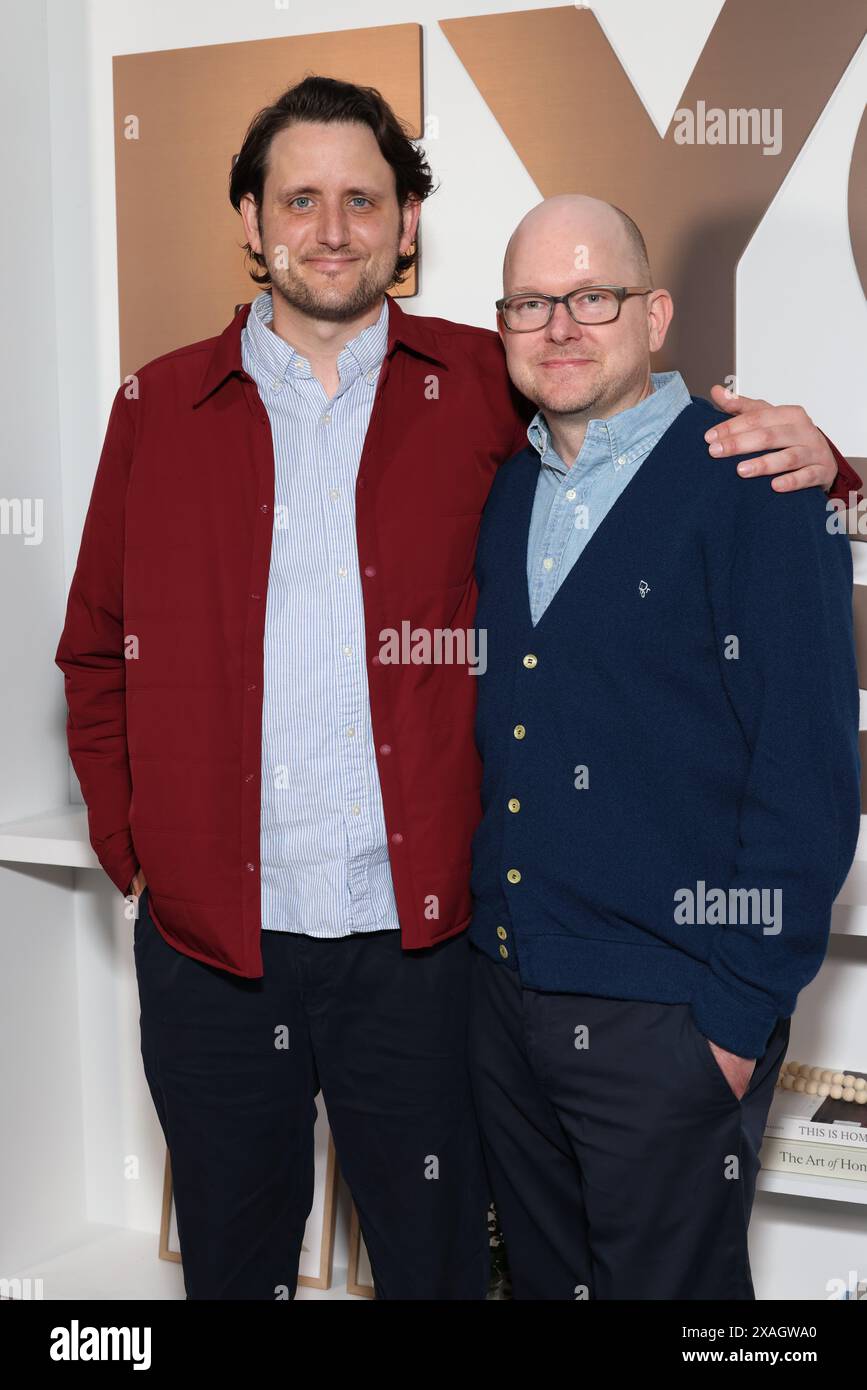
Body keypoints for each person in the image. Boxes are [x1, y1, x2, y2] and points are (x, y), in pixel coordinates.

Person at [55, 77, 860, 1301]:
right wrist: (136, 853)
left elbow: (643, 433)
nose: (333, 228)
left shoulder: (487, 377)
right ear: (252, 221)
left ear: (407, 225)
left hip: (419, 953)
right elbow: (95, 648)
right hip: (215, 946)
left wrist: (830, 463)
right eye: (300, 200)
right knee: (231, 1267)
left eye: (364, 199)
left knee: (439, 1272)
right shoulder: (157, 404)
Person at [467, 193, 861, 1300]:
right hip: (504, 998)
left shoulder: (760, 482)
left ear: (655, 315)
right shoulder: (504, 487)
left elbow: (808, 781)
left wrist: (732, 1022)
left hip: (669, 1015)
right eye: (530, 303)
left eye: (592, 296)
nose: (560, 326)